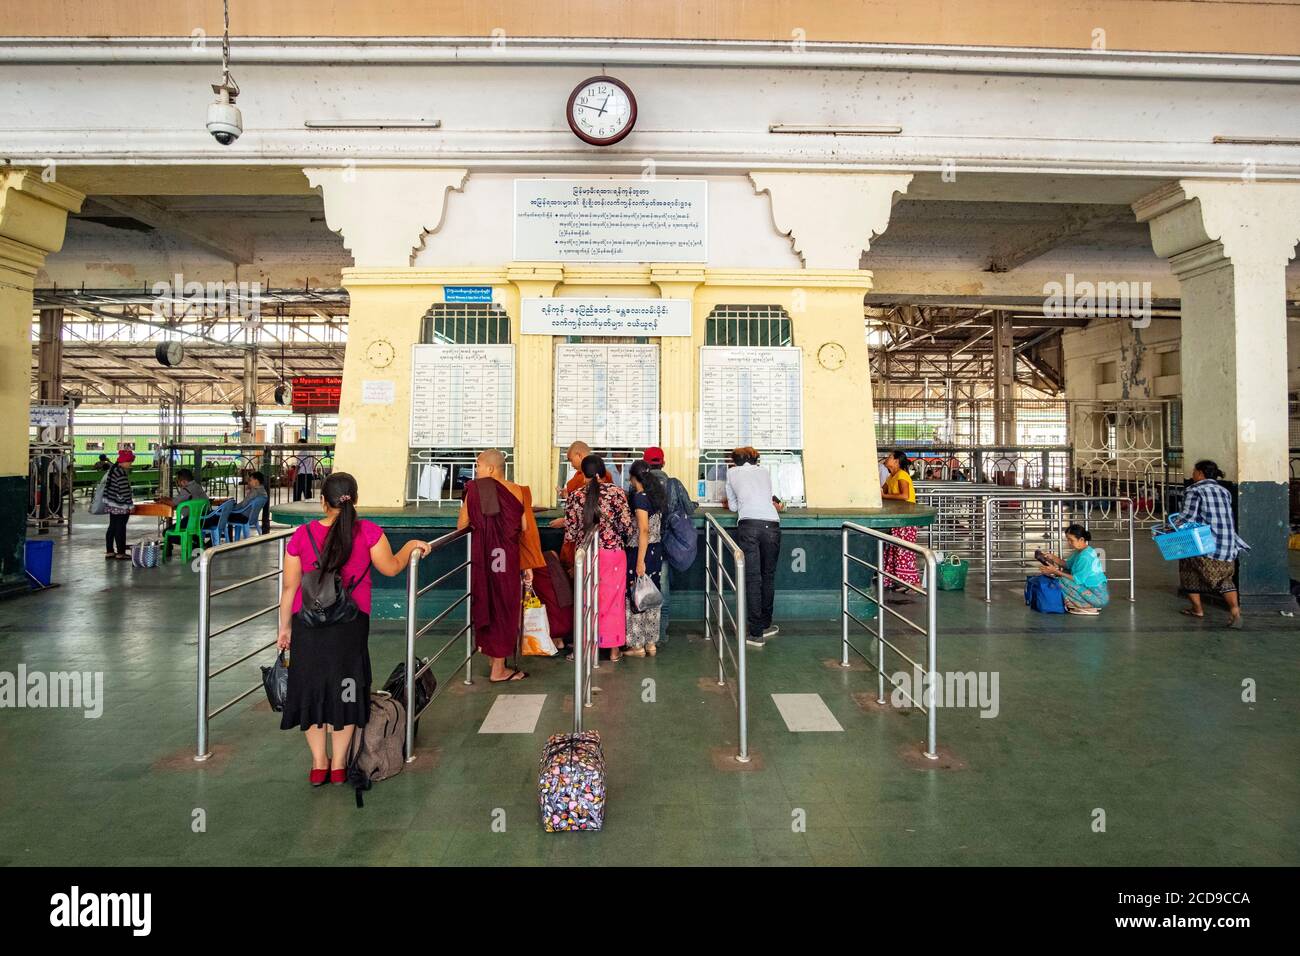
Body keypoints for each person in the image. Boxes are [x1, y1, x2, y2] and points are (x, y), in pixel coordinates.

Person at [275, 472, 432, 787]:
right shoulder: (369, 532)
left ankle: (319, 764)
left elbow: (290, 588)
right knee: (345, 690)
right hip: (349, 625)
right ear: (355, 499)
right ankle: (338, 765)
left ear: (323, 502)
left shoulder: (301, 536)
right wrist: (412, 545)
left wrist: (284, 629)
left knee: (312, 690)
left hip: (308, 626)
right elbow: (391, 567)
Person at [457, 449, 547, 679]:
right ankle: (499, 668)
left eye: (478, 465)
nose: (476, 470)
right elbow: (525, 527)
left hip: (484, 557)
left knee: (486, 602)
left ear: (490, 468)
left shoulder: (474, 491)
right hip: (506, 558)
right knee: (504, 606)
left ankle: (495, 664)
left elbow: (462, 526)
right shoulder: (517, 491)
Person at [564, 454, 634, 662]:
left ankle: (585, 645)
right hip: (613, 555)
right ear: (603, 471)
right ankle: (613, 650)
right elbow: (627, 528)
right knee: (613, 602)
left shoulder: (575, 496)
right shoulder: (617, 493)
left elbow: (570, 533)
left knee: (586, 600)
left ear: (581, 473)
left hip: (585, 556)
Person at [1173, 459, 1249, 629]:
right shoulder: (1224, 491)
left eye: (1194, 471)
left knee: (1187, 567)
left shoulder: (1195, 490)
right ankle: (1235, 611)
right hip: (1228, 544)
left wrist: (1170, 528)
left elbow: (1187, 517)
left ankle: (1197, 609)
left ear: (1200, 473)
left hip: (1206, 543)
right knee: (1225, 579)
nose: (1192, 474)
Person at [722, 446, 782, 648]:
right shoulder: (764, 472)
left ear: (734, 461)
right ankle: (765, 624)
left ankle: (756, 633)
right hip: (772, 524)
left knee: (753, 578)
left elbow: (733, 507)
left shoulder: (731, 473)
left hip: (749, 525)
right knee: (768, 576)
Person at [644, 445, 696, 646]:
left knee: (645, 587)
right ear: (663, 462)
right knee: (663, 590)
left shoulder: (638, 484)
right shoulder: (674, 484)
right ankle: (661, 634)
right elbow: (689, 510)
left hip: (646, 545)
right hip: (668, 545)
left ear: (645, 464)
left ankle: (644, 633)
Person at [622, 460, 667, 657]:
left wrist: (640, 561)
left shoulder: (640, 498)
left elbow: (643, 530)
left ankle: (637, 644)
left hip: (641, 551)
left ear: (634, 478)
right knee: (651, 595)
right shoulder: (656, 496)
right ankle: (651, 643)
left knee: (637, 595)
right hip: (656, 551)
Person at [550, 440, 612, 568]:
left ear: (579, 455)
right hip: (605, 542)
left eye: (570, 459)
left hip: (586, 536)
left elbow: (593, 507)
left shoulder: (603, 478)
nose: (570, 464)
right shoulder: (615, 491)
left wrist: (565, 521)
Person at [1038, 523, 1109, 614]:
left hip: (1098, 598)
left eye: (1071, 540)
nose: (1069, 543)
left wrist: (1055, 571)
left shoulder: (1085, 557)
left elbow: (1077, 579)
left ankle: (1085, 606)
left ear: (1081, 539)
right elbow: (1067, 565)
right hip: (1092, 592)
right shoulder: (1082, 551)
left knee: (1062, 580)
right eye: (1068, 540)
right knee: (1064, 574)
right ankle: (1086, 603)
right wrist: (1053, 557)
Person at [880, 450, 922, 602]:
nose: (887, 458)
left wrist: (884, 496)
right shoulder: (891, 476)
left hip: (906, 519)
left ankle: (915, 583)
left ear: (897, 461)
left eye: (890, 457)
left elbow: (904, 496)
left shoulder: (902, 475)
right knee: (894, 550)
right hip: (898, 518)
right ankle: (903, 581)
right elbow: (881, 490)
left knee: (904, 552)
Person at [102, 449, 135, 560]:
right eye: (130, 462)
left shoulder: (113, 469)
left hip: (112, 502)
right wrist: (130, 505)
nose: (131, 464)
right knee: (120, 528)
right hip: (120, 504)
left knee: (112, 527)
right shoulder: (120, 472)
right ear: (124, 462)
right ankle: (121, 553)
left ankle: (110, 551)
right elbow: (125, 490)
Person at [293, 437, 316, 502]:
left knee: (297, 493)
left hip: (302, 476)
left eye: (299, 444)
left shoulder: (301, 453)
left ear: (303, 444)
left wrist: (294, 478)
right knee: (308, 493)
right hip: (309, 475)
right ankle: (309, 509)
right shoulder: (310, 453)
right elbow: (313, 465)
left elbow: (298, 467)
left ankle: (297, 508)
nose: (298, 445)